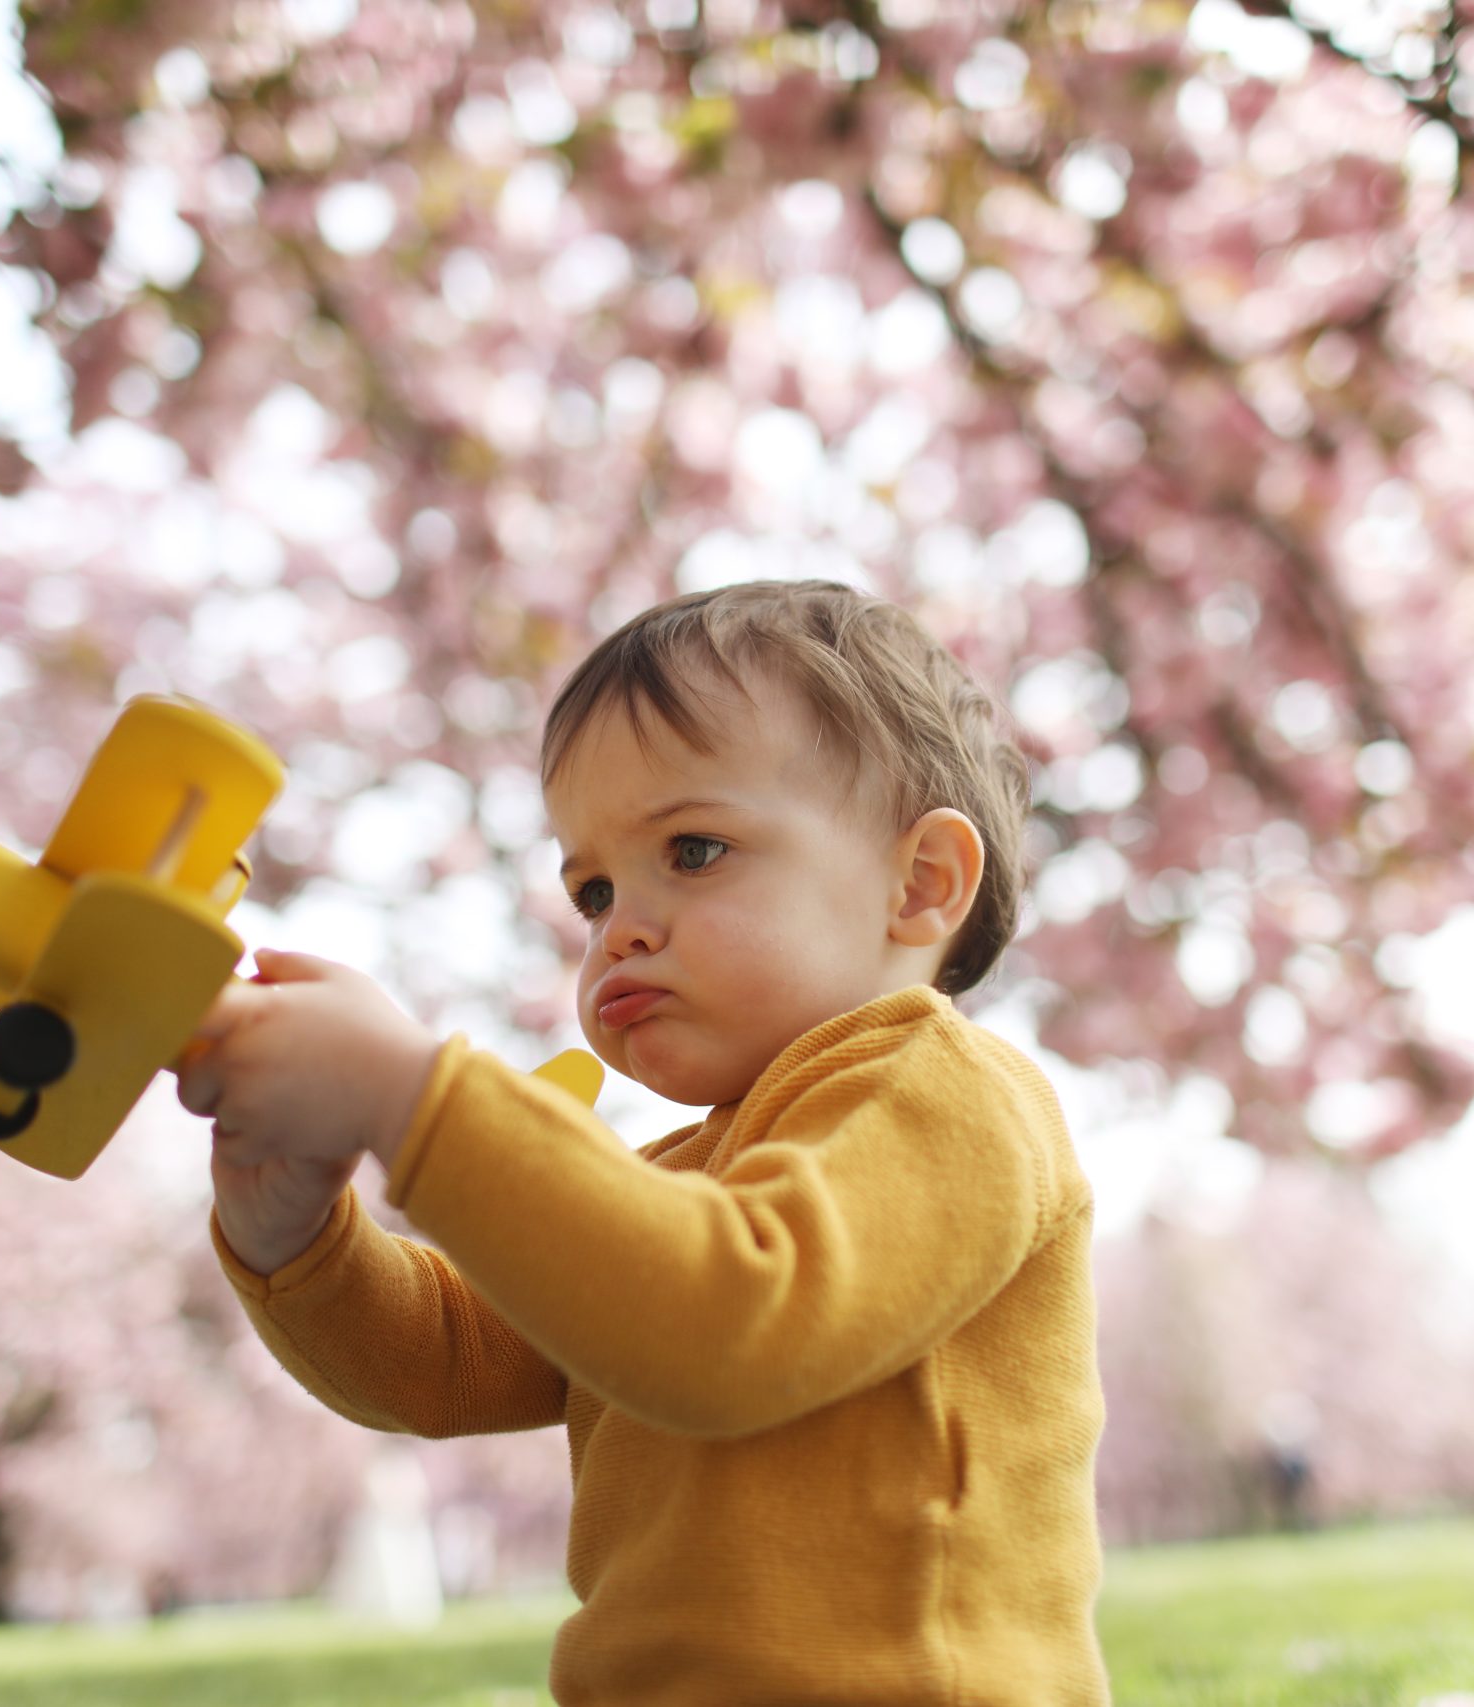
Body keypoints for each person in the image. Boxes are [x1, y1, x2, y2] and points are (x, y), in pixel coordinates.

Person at [176, 579, 1108, 1704]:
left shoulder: (954, 1098)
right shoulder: (680, 1181)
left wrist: (414, 1095)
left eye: (696, 851)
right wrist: (297, 1240)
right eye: (592, 889)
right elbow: (445, 1363)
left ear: (918, 885)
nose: (620, 926)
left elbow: (734, 1316)